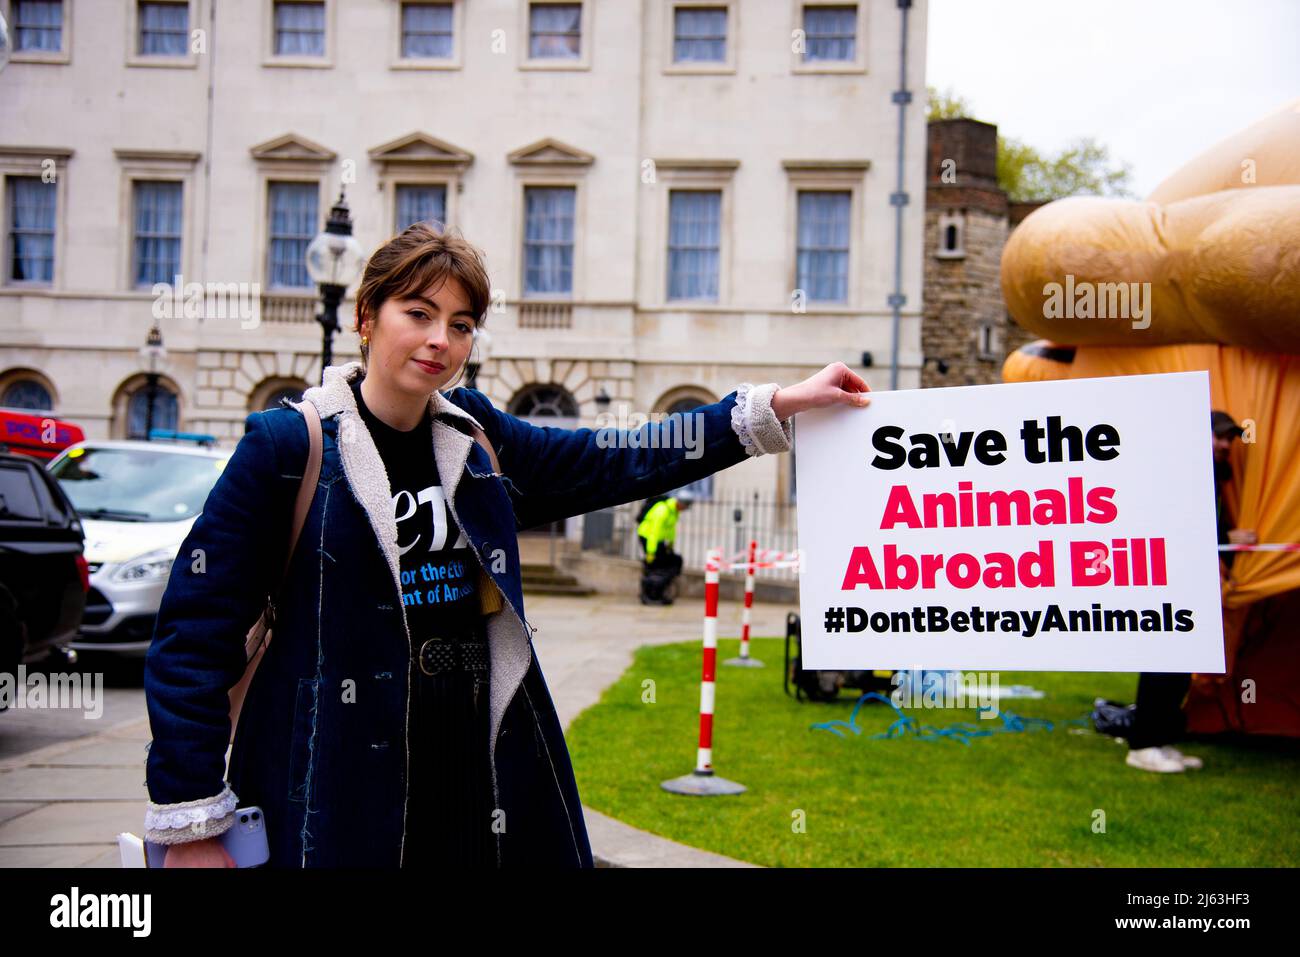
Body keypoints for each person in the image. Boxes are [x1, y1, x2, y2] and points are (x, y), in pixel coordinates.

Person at [142, 221, 874, 867]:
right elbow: (193, 636)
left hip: (471, 773)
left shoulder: (475, 433)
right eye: (418, 313)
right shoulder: (287, 448)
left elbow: (614, 455)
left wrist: (771, 409)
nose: (440, 340)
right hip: (330, 781)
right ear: (366, 316)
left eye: (460, 324)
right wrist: (192, 823)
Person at [1125, 409, 1255, 773]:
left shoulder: (1217, 478)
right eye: (1219, 437)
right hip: (1168, 582)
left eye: (1229, 439)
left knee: (1181, 664)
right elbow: (1173, 525)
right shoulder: (1179, 476)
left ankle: (1162, 739)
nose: (1225, 445)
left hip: (1191, 582)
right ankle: (1143, 743)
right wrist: (1224, 538)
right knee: (1162, 663)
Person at [637, 496, 690, 605]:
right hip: (647, 536)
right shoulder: (663, 510)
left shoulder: (674, 511)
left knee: (668, 561)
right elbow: (654, 532)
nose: (683, 510)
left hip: (658, 540)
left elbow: (671, 529)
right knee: (655, 564)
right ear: (680, 504)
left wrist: (670, 545)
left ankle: (657, 592)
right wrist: (651, 552)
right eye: (684, 507)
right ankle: (651, 592)